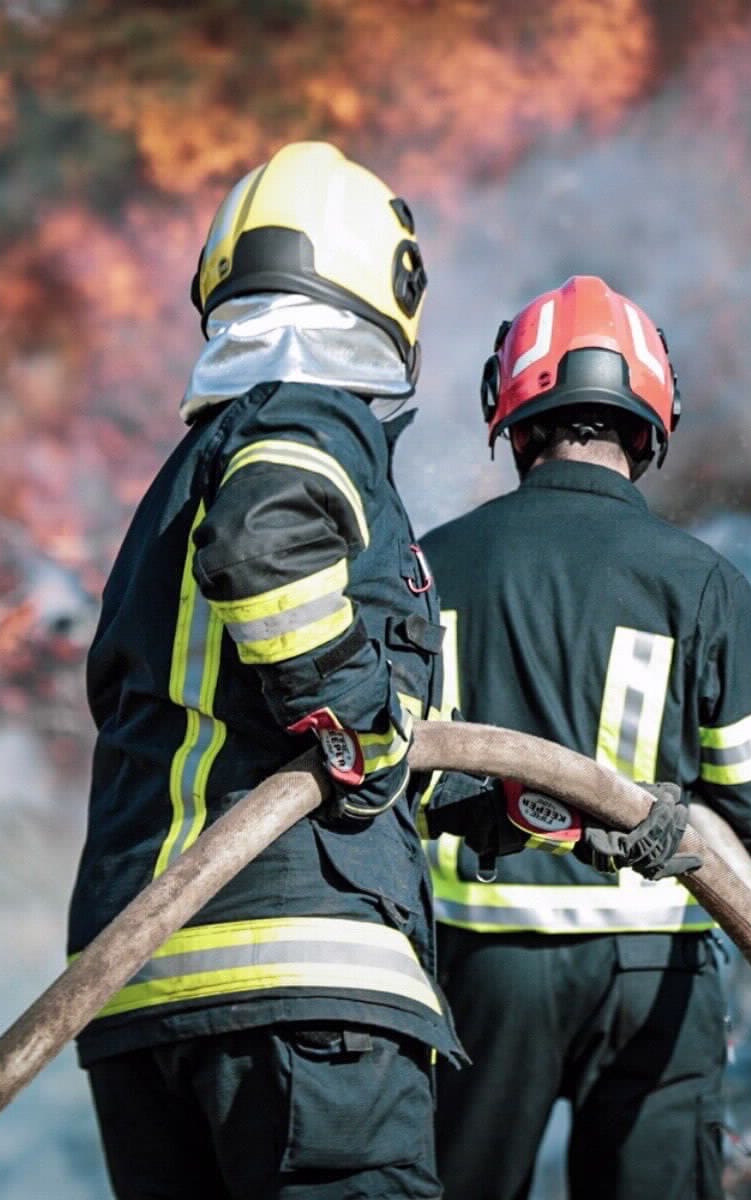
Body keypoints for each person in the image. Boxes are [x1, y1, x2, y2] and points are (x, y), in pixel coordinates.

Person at [65, 140, 458, 1200]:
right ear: (392, 284)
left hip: (145, 990)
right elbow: (264, 541)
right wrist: (356, 733)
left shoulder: (179, 479)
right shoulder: (307, 412)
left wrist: (479, 790)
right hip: (301, 984)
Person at [420, 275, 751, 1199]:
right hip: (652, 973)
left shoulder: (430, 566)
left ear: (511, 419)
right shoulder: (702, 582)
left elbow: (386, 771)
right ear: (649, 426)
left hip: (478, 966)